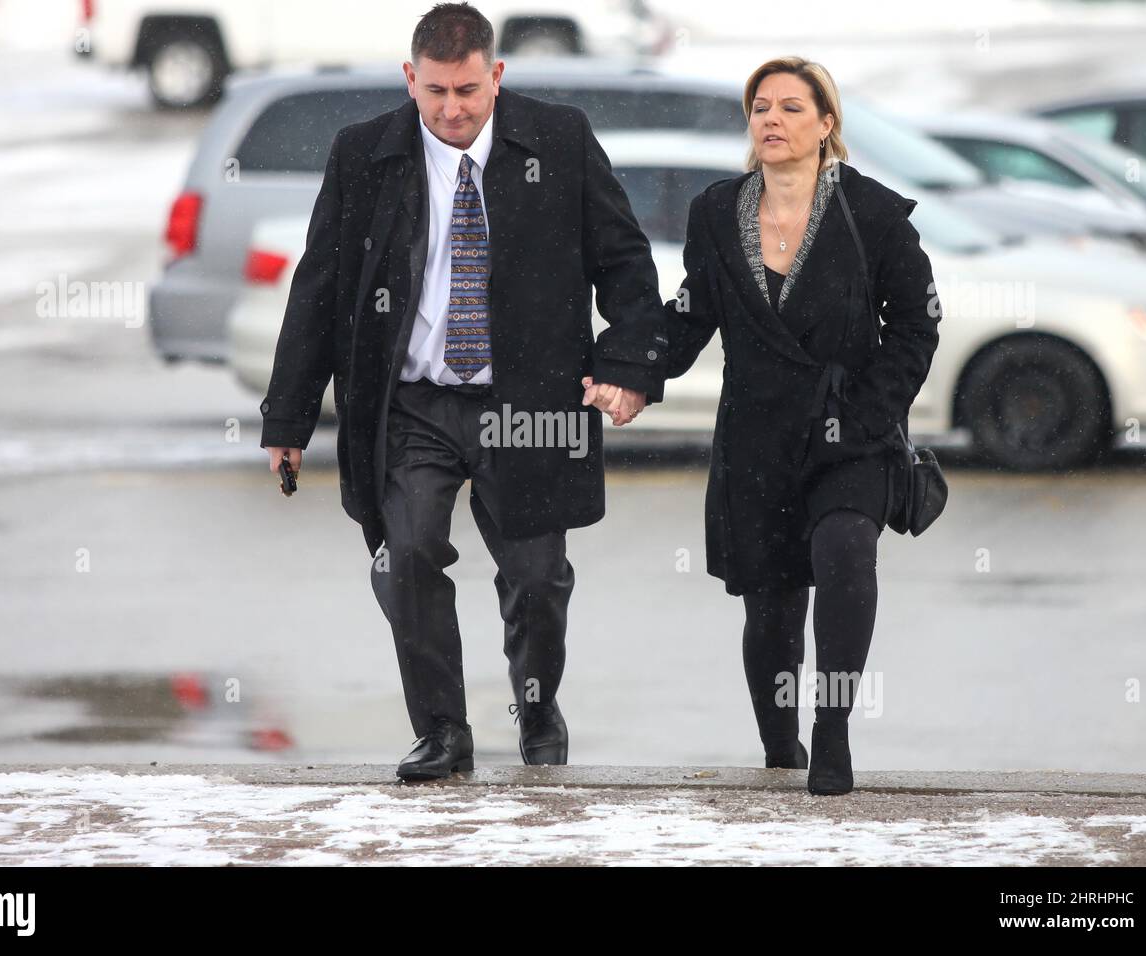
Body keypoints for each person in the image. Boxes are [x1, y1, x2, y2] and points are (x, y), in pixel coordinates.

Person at [259, 3, 668, 780]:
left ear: (497, 76)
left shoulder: (560, 140)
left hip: (530, 403)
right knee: (406, 556)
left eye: (470, 91)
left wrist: (628, 366)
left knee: (538, 579)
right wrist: (287, 415)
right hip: (413, 403)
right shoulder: (363, 154)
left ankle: (538, 706)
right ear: (410, 78)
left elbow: (624, 261)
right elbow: (319, 289)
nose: (452, 109)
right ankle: (443, 730)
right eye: (437, 90)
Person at [662, 57, 941, 795]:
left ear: (826, 124)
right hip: (756, 439)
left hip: (850, 434)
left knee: (847, 554)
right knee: (772, 604)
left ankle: (833, 731)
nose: (773, 120)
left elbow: (916, 327)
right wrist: (625, 371)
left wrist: (867, 415)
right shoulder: (717, 212)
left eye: (791, 107)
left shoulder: (872, 213)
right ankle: (779, 746)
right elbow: (692, 317)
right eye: (761, 108)